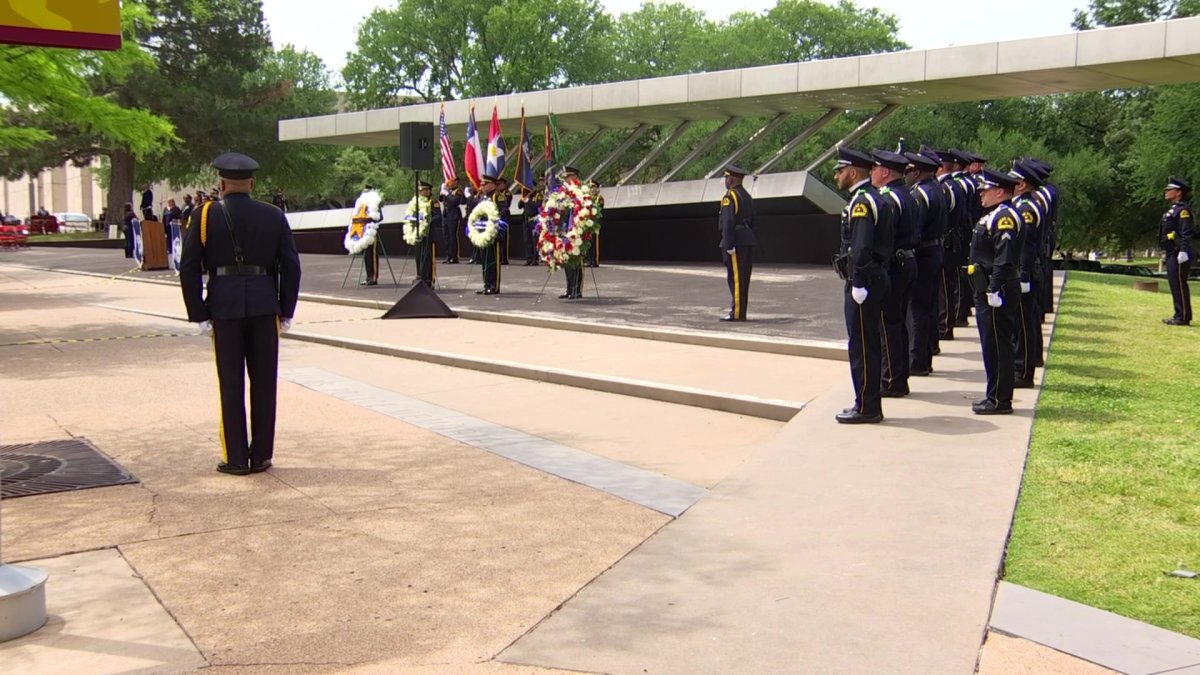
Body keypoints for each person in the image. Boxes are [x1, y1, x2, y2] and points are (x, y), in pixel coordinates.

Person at [179, 152, 302, 475]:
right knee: (264, 383)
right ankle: (261, 455)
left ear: (221, 184)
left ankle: (235, 457)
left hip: (224, 306)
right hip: (265, 305)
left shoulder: (205, 215)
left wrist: (199, 313)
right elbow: (291, 266)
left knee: (231, 383)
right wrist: (286, 309)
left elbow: (189, 268)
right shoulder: (273, 215)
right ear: (252, 183)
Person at [834, 148, 894, 424]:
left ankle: (867, 406)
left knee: (862, 345)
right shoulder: (874, 198)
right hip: (875, 278)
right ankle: (867, 402)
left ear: (853, 172)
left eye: (840, 170)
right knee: (867, 342)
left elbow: (860, 248)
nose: (837, 175)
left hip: (864, 282)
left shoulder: (861, 203)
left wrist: (857, 282)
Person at [967, 168, 1023, 415]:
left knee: (998, 346)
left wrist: (994, 287)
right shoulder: (994, 215)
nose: (982, 194)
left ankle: (1000, 399)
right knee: (991, 346)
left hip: (996, 289)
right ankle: (994, 395)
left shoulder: (1004, 218)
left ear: (1000, 192)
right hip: (987, 287)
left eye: (986, 190)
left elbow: (1004, 258)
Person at [872, 150, 918, 397]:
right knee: (898, 323)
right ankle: (899, 375)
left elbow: (885, 236)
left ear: (885, 172)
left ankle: (892, 380)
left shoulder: (889, 199)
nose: (872, 173)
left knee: (888, 324)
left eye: (874, 169)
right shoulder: (907, 194)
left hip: (895, 266)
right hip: (908, 261)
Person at [904, 149, 946, 377]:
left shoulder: (920, 195)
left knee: (918, 308)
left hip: (924, 254)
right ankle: (926, 354)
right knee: (928, 306)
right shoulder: (937, 189)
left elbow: (915, 230)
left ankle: (918, 360)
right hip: (935, 250)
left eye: (909, 171)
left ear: (917, 172)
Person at [1009, 159, 1047, 386]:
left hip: (1027, 273)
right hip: (1030, 271)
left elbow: (1026, 247)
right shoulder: (1026, 205)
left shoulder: (1025, 210)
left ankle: (1022, 372)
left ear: (1021, 184)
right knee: (1025, 322)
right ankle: (1024, 366)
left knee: (1022, 324)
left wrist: (1022, 276)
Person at [718, 164, 756, 321]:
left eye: (727, 178)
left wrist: (728, 244)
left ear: (732, 179)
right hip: (746, 239)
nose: (726, 181)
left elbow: (728, 223)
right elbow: (753, 220)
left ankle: (737, 313)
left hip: (736, 242)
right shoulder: (746, 195)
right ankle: (739, 311)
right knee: (743, 277)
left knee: (736, 278)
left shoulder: (730, 197)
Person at [1161, 176, 1193, 326]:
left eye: (1170, 189)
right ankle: (1178, 314)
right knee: (1174, 284)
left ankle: (1183, 317)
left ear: (1178, 192)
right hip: (1171, 251)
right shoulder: (1173, 209)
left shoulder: (1183, 211)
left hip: (1179, 251)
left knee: (1180, 284)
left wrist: (1184, 251)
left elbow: (1186, 232)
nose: (1166, 191)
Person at [557, 167, 588, 299]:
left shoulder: (581, 191)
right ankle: (569, 288)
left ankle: (577, 289)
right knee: (567, 262)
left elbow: (586, 210)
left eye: (568, 177)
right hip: (564, 229)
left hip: (576, 229)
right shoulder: (564, 193)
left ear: (574, 177)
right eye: (565, 178)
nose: (566, 180)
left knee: (576, 261)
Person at [471, 174, 502, 294]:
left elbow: (502, 212)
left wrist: (494, 226)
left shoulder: (497, 197)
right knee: (484, 259)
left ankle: (494, 285)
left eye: (485, 184)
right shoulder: (483, 197)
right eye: (482, 184)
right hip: (482, 232)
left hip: (493, 233)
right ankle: (486, 284)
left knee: (493, 259)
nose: (482, 186)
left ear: (492, 185)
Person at [352, 183, 384, 286]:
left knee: (372, 254)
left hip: (372, 231)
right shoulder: (361, 204)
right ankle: (368, 276)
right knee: (366, 255)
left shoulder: (375, 204)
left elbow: (379, 217)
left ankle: (373, 277)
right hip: (363, 231)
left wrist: (369, 219)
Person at [415, 181, 437, 288]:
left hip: (429, 234)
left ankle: (429, 279)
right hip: (419, 233)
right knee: (420, 256)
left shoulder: (433, 202)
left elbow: (438, 217)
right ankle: (421, 276)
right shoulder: (417, 203)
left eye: (423, 190)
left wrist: (427, 220)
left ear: (428, 191)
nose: (421, 193)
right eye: (420, 191)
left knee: (428, 257)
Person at [519, 179, 544, 265]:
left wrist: (528, 201)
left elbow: (537, 206)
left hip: (534, 220)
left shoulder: (538, 196)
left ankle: (535, 259)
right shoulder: (526, 195)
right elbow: (519, 206)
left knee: (534, 240)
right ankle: (528, 258)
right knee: (527, 240)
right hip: (526, 219)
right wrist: (522, 199)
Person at [439, 176, 464, 264]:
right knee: (446, 236)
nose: (449, 182)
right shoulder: (448, 190)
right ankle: (448, 256)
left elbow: (454, 202)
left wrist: (447, 194)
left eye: (451, 180)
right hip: (446, 215)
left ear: (456, 182)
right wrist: (442, 192)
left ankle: (454, 257)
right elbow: (441, 200)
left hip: (453, 215)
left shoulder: (458, 191)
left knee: (452, 236)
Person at [586, 180, 604, 267]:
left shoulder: (599, 198)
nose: (592, 189)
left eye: (593, 187)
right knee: (589, 242)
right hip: (588, 223)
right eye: (590, 187)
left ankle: (595, 260)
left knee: (595, 242)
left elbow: (599, 210)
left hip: (596, 223)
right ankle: (589, 260)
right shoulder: (588, 198)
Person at [495, 177, 513, 264]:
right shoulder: (497, 194)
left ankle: (504, 258)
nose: (499, 186)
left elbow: (506, 204)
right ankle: (499, 257)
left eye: (500, 184)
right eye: (497, 184)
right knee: (497, 238)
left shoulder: (507, 193)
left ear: (504, 184)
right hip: (496, 218)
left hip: (504, 217)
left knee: (504, 239)